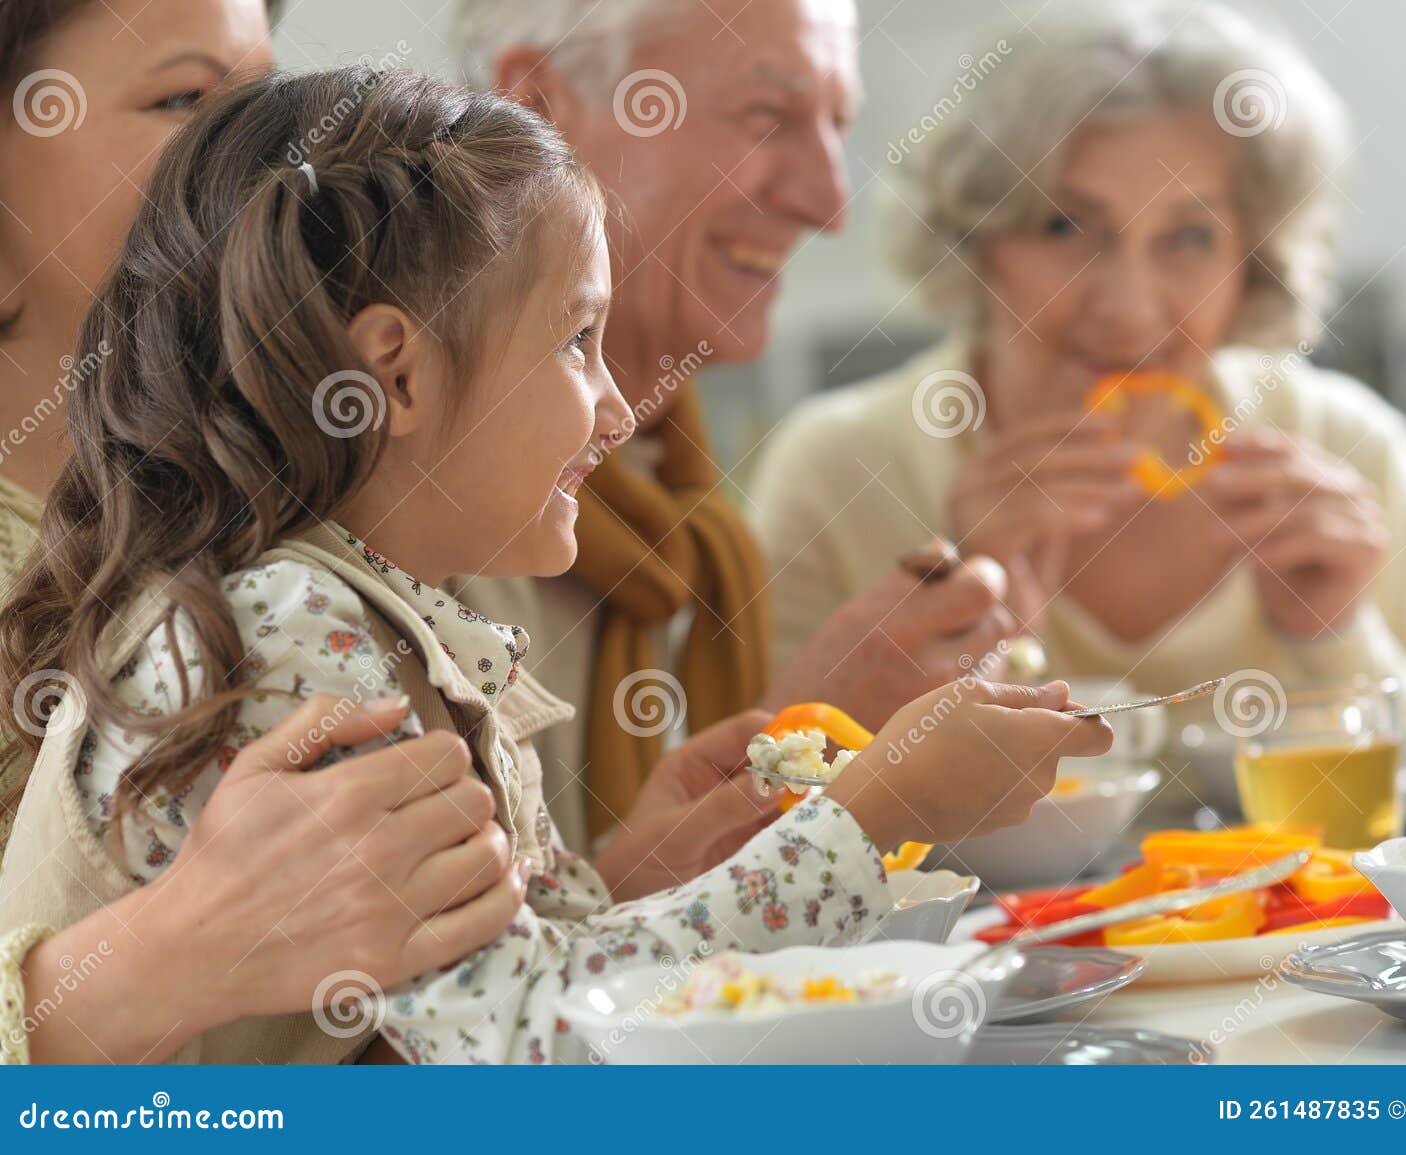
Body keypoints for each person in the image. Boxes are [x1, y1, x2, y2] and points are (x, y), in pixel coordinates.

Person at [0, 66, 1114, 1064]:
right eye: (577, 342)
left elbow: (486, 988)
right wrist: (872, 815)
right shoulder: (285, 628)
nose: (620, 410)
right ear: (392, 374)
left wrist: (626, 882)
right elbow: (538, 1049)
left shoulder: (324, 600)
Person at [748, 0, 1406, 771]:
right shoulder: (834, 469)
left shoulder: (1344, 443)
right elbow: (742, 831)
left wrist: (1336, 638)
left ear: (1253, 263)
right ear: (976, 238)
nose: (1129, 306)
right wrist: (970, 644)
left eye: (1190, 237)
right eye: (1065, 226)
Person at [0, 0, 522, 1065]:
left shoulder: (324, 525)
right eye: (183, 98)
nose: (280, 151)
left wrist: (650, 866)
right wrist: (175, 952)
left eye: (266, 91)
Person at [450, 0, 1024, 854]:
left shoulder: (676, 494)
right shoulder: (416, 502)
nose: (829, 202)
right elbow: (502, 964)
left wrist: (819, 728)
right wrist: (807, 734)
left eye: (837, 125)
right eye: (766, 117)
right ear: (541, 106)